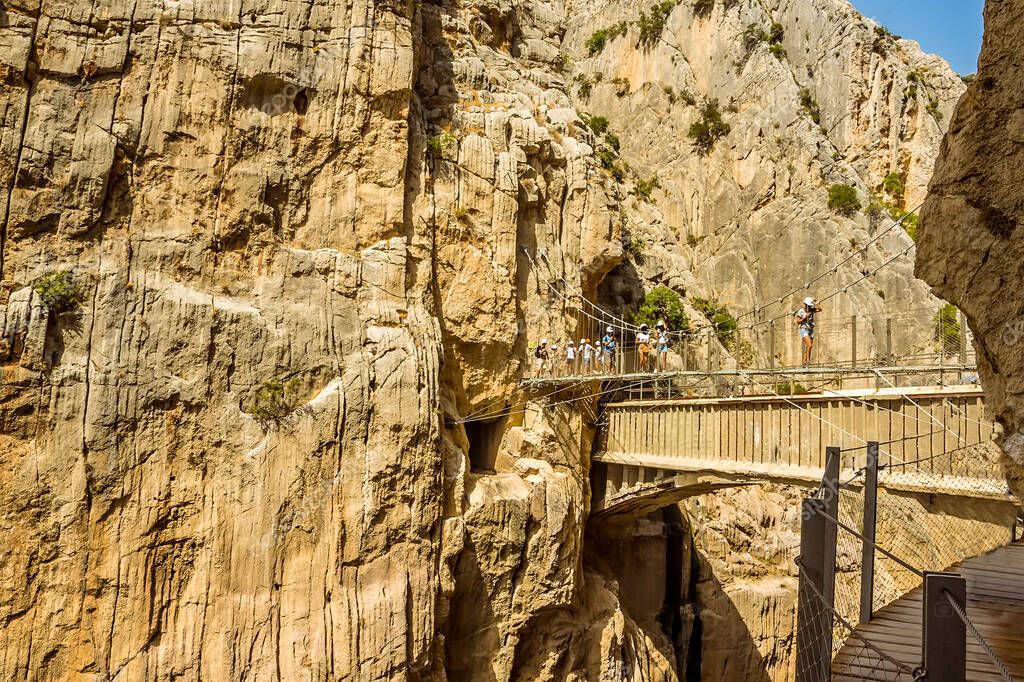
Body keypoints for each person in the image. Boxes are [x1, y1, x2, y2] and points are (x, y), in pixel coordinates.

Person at [794, 297, 823, 366]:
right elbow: (797, 321)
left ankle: (804, 362)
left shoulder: (811, 310)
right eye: (809, 306)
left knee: (809, 347)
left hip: (811, 330)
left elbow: (820, 309)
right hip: (804, 329)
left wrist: (815, 302)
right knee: (810, 345)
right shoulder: (801, 311)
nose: (810, 307)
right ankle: (808, 362)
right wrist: (804, 318)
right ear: (806, 305)